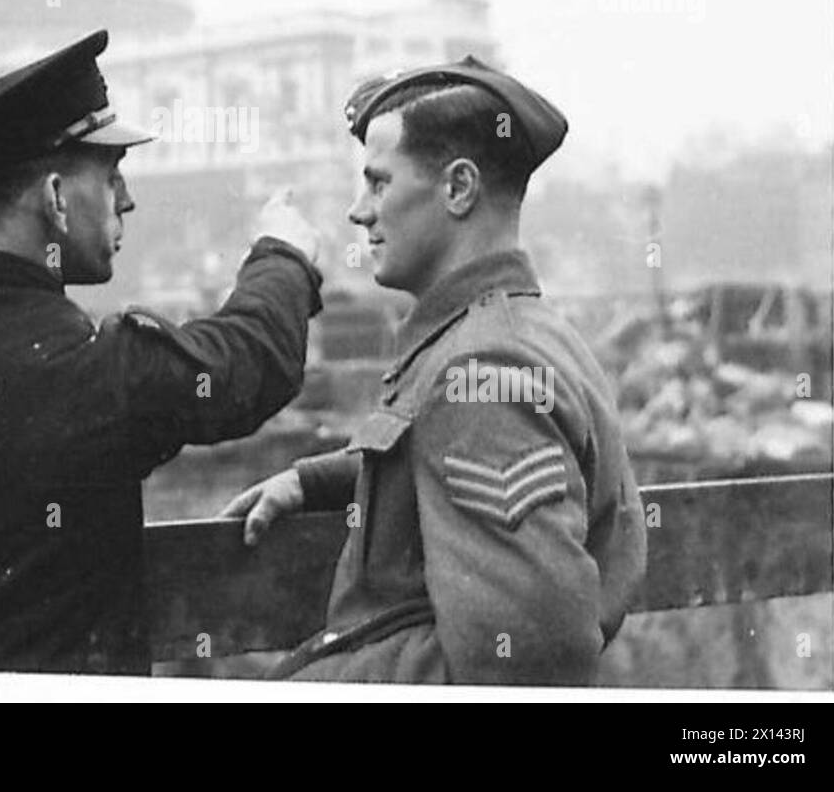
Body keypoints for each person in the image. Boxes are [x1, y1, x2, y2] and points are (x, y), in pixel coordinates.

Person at [0, 29, 322, 674]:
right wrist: (283, 253)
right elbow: (250, 362)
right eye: (109, 174)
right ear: (53, 199)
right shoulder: (95, 367)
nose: (126, 198)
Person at [222, 55, 646, 683]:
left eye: (379, 183)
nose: (357, 211)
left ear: (457, 188)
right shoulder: (519, 331)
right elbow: (433, 448)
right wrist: (316, 482)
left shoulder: (482, 369)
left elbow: (527, 661)